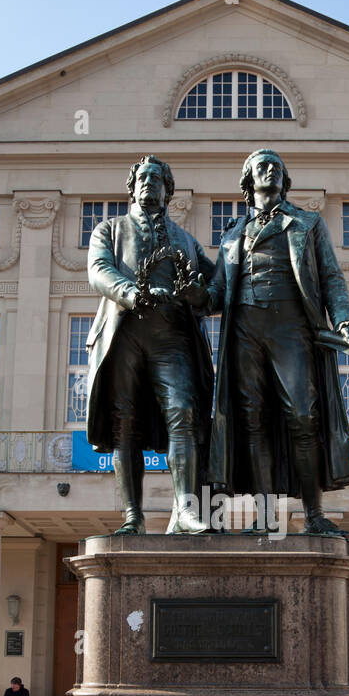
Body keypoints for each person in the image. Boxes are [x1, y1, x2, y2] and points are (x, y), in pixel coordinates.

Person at [206, 149, 349, 537]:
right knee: (253, 419)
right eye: (262, 166)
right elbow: (214, 296)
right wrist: (181, 292)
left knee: (303, 417)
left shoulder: (307, 223)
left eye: (277, 166)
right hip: (244, 328)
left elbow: (331, 276)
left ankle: (313, 514)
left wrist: (343, 319)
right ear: (248, 180)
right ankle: (265, 516)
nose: (271, 170)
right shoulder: (232, 235)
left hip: (291, 326)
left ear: (284, 180)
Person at [86, 155, 216, 535]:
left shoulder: (187, 242)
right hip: (124, 334)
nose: (149, 184)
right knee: (124, 425)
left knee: (184, 415)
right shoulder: (110, 229)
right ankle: (132, 516)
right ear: (132, 187)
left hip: (172, 338)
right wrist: (131, 292)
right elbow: (99, 271)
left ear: (168, 190)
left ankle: (186, 511)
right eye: (142, 178)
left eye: (157, 179)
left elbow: (217, 290)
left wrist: (199, 294)